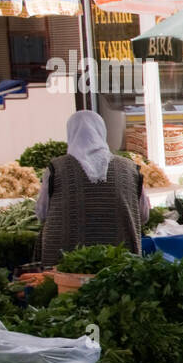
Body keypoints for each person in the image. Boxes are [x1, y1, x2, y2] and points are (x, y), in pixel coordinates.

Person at [37, 111, 150, 268]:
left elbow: (42, 213)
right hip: (120, 257)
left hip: (66, 259)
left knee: (66, 289)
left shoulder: (56, 167)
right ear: (101, 131)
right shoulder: (130, 168)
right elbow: (143, 215)